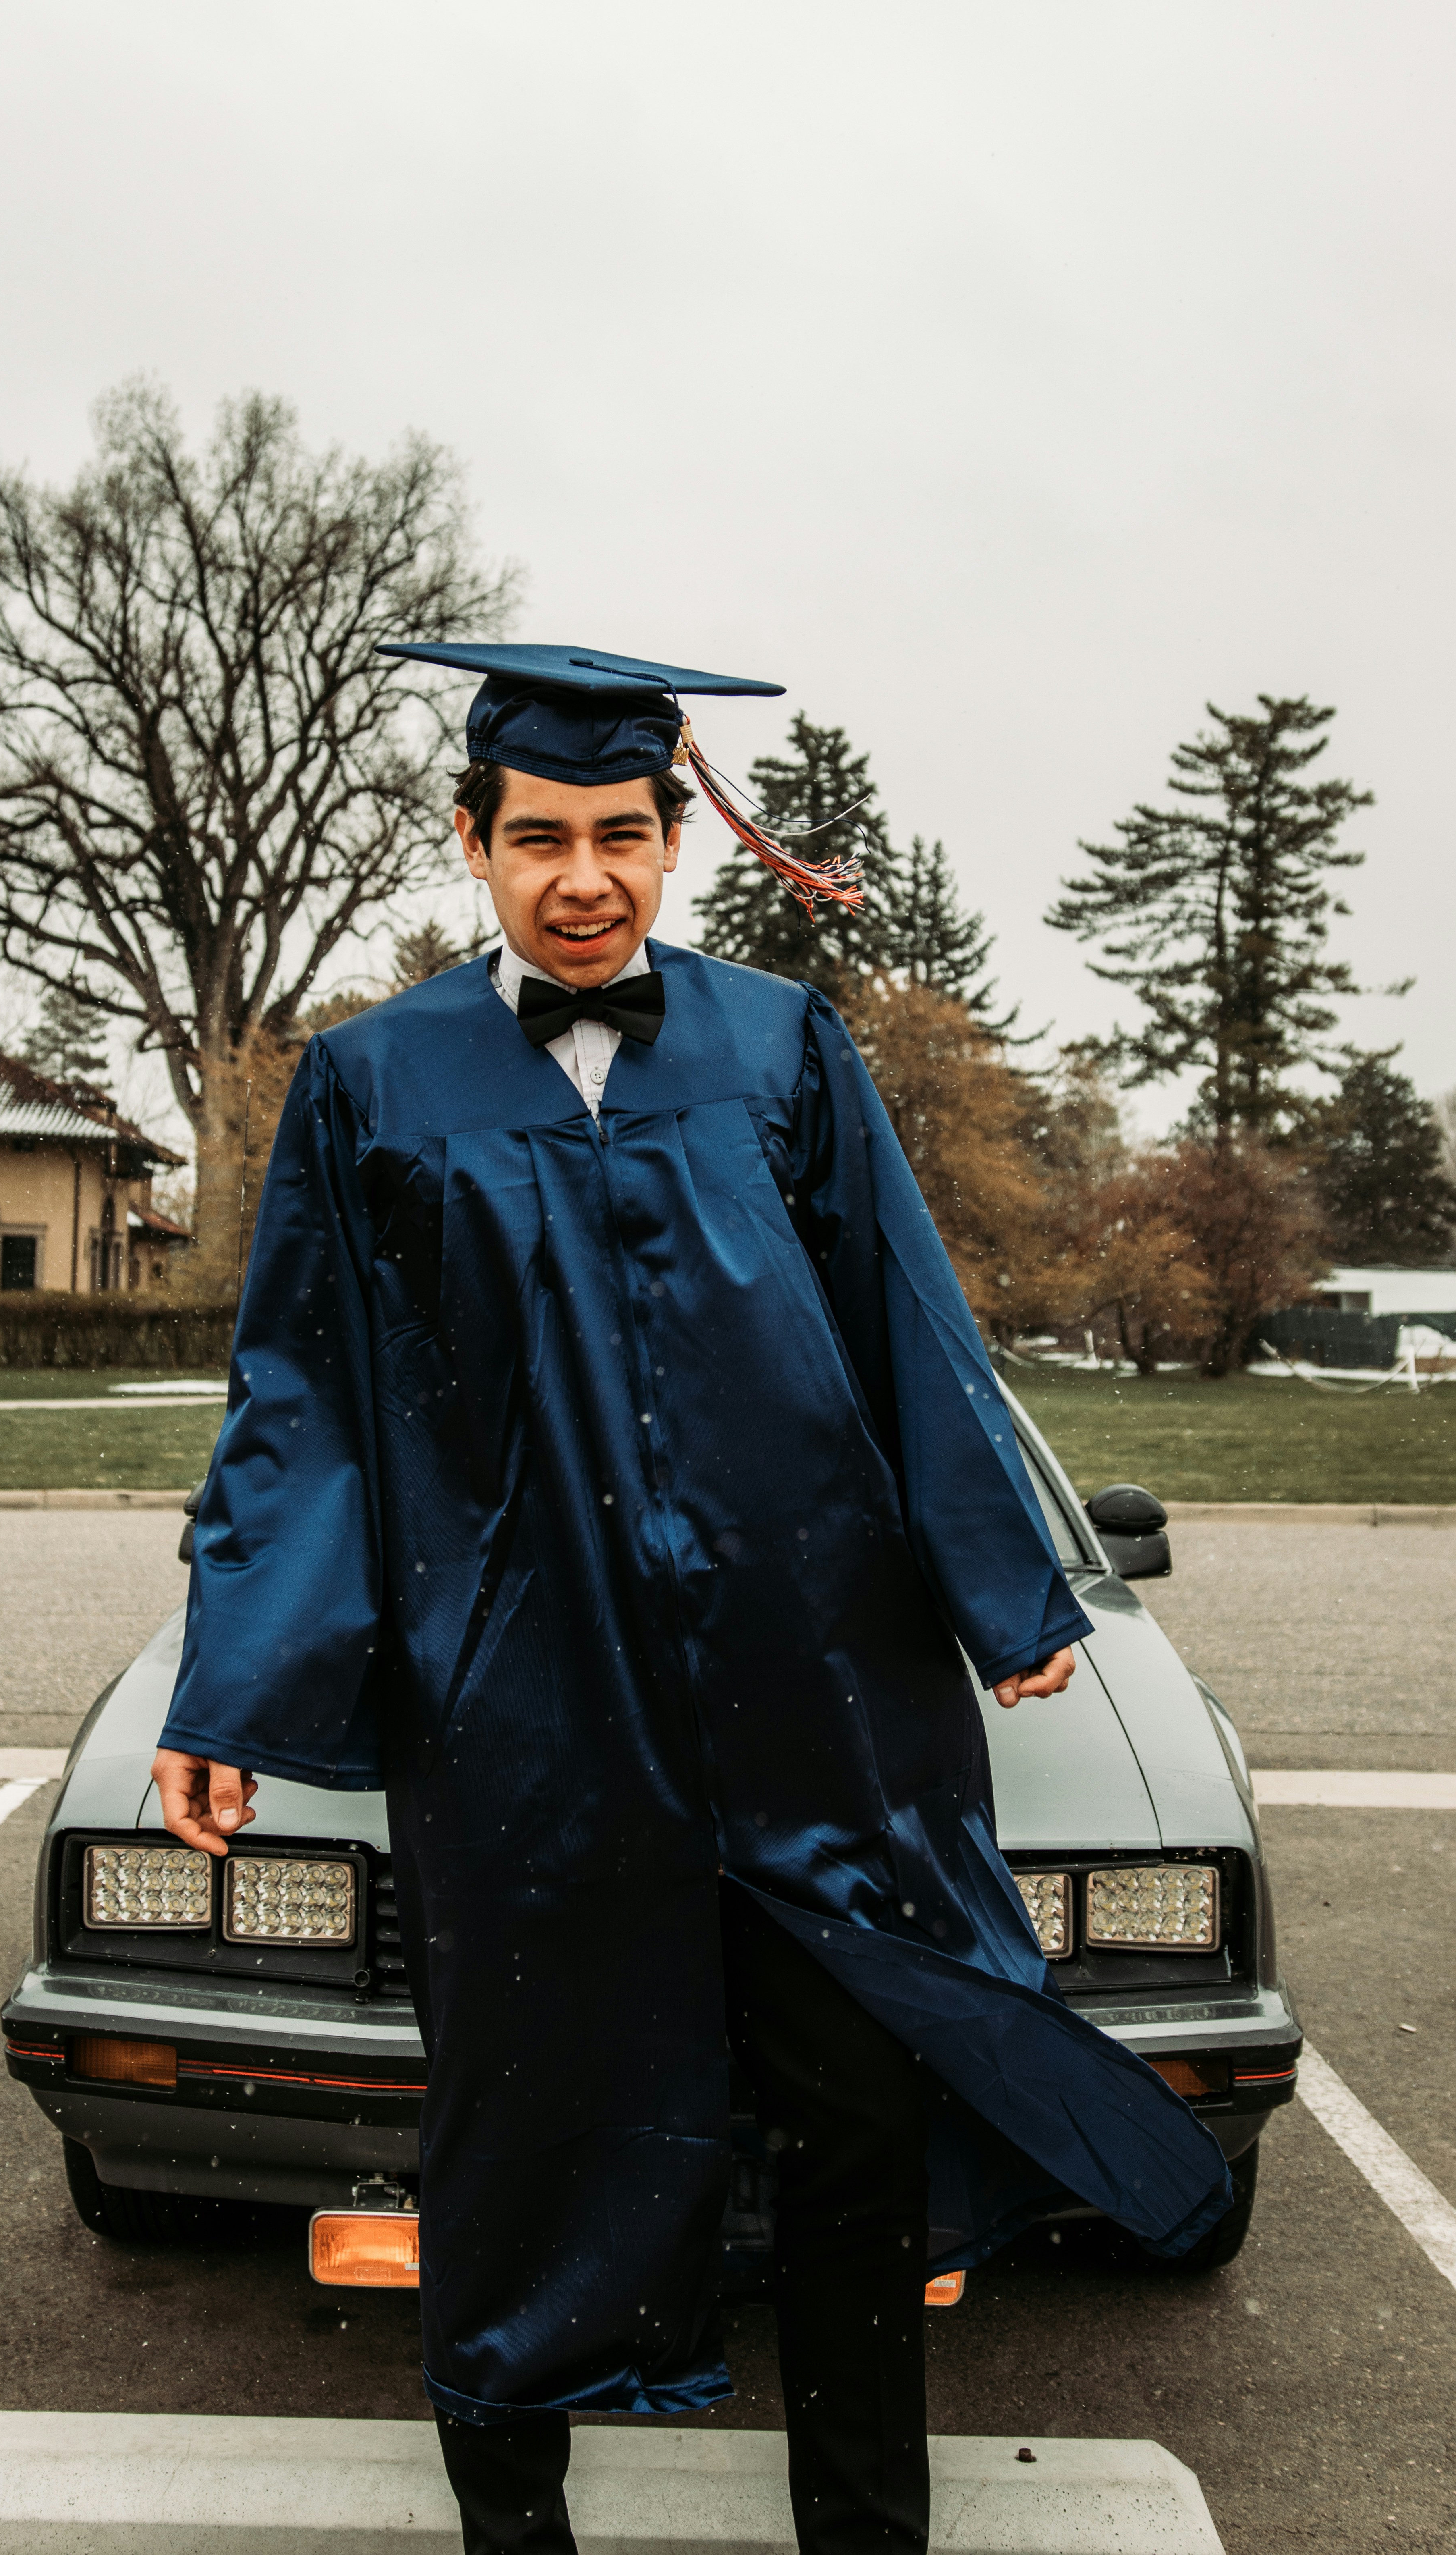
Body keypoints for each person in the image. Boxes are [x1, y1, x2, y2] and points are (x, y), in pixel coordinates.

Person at [152, 644, 1230, 2555]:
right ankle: (517, 2530)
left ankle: (863, 2533)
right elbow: (300, 1409)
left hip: (812, 1692)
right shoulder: (370, 1086)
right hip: (528, 1719)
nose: (587, 876)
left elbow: (908, 1325)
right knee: (522, 2133)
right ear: (473, 843)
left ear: (673, 845)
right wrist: (231, 1691)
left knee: (855, 2133)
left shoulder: (780, 1046)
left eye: (625, 836)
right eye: (544, 836)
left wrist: (1002, 1587)